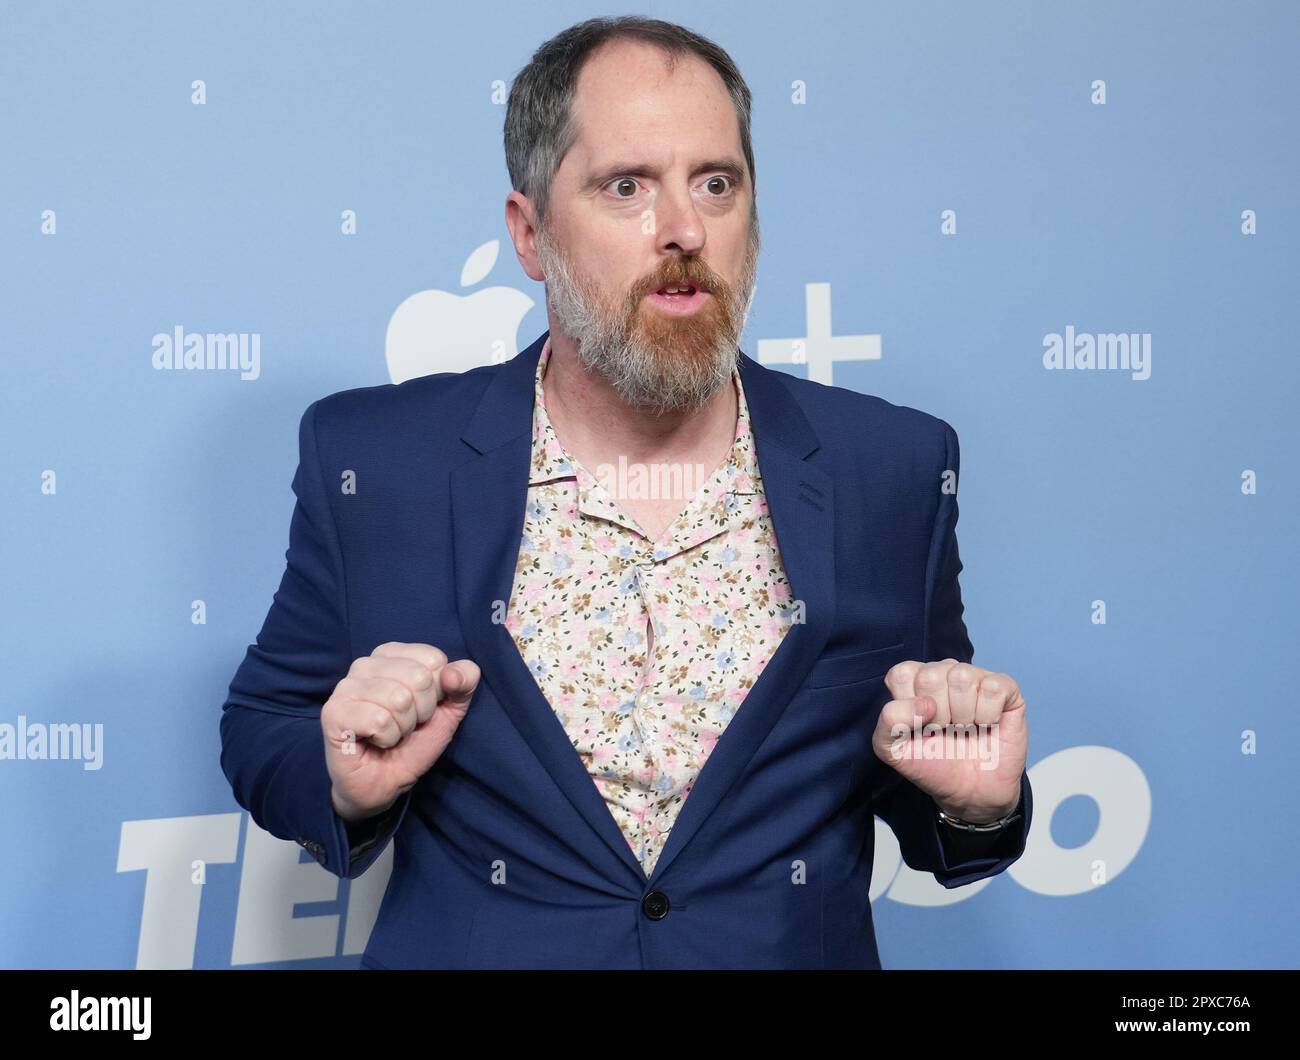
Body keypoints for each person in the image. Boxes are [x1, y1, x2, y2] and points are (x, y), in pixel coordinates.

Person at [219, 15, 1031, 970]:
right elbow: (265, 724)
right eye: (626, 186)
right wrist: (343, 781)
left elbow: (925, 753)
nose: (683, 229)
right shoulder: (377, 459)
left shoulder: (888, 466)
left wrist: (975, 806)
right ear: (530, 233)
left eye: (716, 184)